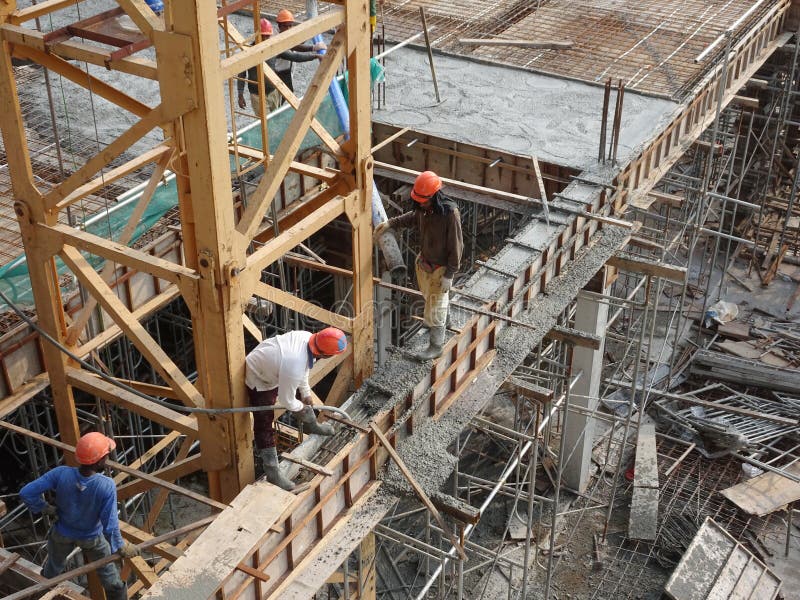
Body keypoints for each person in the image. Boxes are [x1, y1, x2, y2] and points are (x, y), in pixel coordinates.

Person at [19, 432, 138, 600]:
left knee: (51, 573)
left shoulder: (61, 473)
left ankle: (42, 594)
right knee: (111, 580)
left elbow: (26, 492)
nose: (108, 458)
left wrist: (44, 508)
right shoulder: (106, 485)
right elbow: (110, 525)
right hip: (92, 538)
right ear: (99, 460)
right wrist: (120, 546)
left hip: (62, 534)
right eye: (106, 455)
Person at [246, 327, 346, 490]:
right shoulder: (294, 363)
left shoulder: (308, 338)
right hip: (260, 377)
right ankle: (273, 472)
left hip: (275, 365)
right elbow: (286, 400)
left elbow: (304, 368)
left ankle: (311, 425)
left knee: (300, 398)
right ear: (326, 355)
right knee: (264, 423)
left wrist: (305, 393)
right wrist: (303, 409)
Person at [381, 171, 463, 359]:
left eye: (424, 201)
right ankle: (446, 321)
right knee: (432, 300)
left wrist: (449, 274)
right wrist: (390, 223)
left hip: (440, 267)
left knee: (436, 306)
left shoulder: (450, 214)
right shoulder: (424, 209)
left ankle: (436, 346)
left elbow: (456, 246)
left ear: (435, 196)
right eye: (419, 201)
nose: (421, 204)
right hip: (425, 263)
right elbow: (412, 217)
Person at [236, 18, 323, 114]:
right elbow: (241, 74)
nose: (265, 39)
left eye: (267, 36)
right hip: (257, 95)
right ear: (256, 35)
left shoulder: (273, 48)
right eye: (262, 36)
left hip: (273, 92)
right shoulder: (248, 53)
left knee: (275, 119)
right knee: (266, 125)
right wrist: (240, 94)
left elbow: (294, 56)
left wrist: (315, 56)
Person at [274, 9, 327, 94]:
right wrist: (314, 51)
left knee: (286, 94)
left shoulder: (285, 34)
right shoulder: (276, 39)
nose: (288, 28)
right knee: (281, 96)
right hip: (278, 74)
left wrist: (309, 32)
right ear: (279, 26)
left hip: (287, 71)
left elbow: (296, 43)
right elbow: (295, 55)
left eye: (290, 26)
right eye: (285, 26)